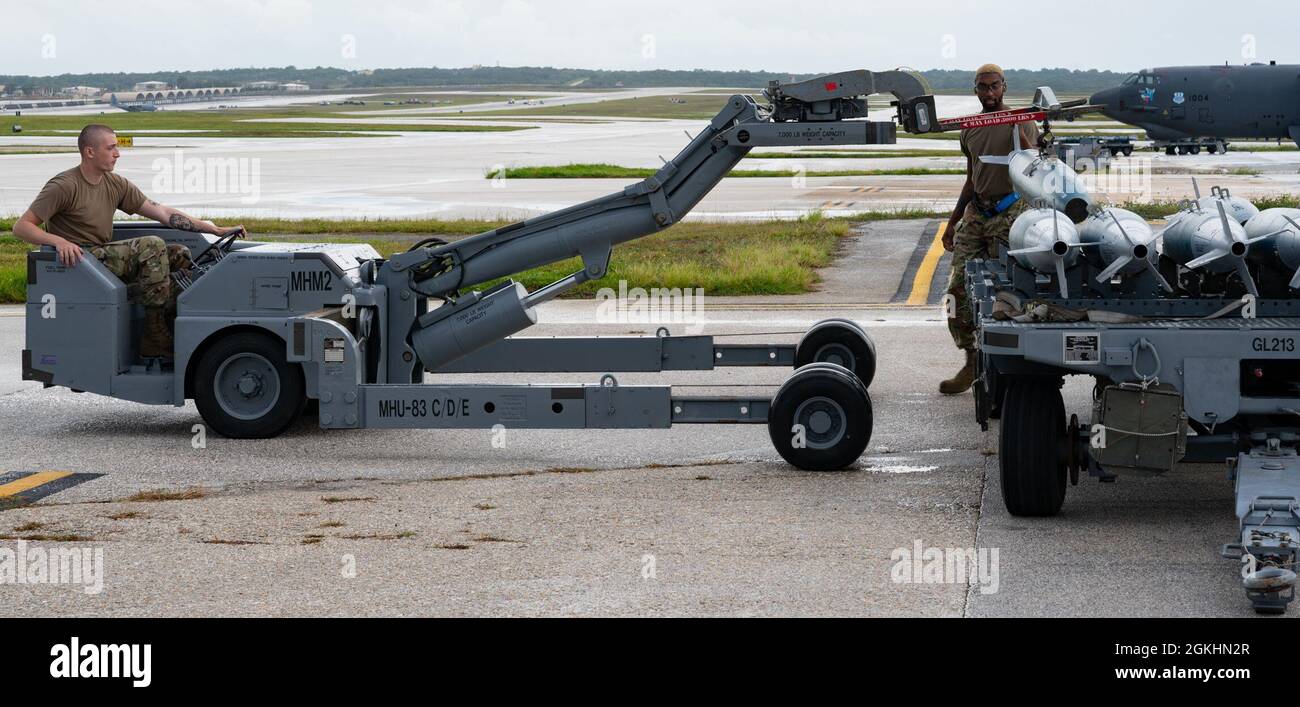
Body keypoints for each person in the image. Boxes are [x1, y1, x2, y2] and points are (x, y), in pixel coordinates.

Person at [12, 124, 245, 359]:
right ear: (89, 152)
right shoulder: (64, 185)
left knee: (179, 254)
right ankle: (153, 339)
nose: (117, 153)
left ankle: (162, 321)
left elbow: (162, 212)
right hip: (82, 262)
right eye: (111, 147)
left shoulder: (115, 184)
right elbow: (22, 227)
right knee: (152, 246)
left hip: (102, 257)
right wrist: (59, 241)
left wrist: (214, 229)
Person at [939, 64, 1040, 395]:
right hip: (976, 215)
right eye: (982, 87)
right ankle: (971, 361)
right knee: (957, 292)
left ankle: (1008, 370)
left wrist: (1018, 130)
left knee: (1008, 294)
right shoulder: (969, 129)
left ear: (1004, 87)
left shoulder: (1020, 119)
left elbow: (1034, 165)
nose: (988, 93)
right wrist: (954, 222)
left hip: (1010, 213)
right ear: (976, 91)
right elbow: (972, 178)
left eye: (994, 86)